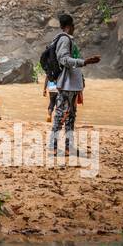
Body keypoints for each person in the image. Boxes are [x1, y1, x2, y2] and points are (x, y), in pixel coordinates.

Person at [48, 12, 100, 156]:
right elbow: (64, 59)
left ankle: (68, 147)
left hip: (71, 85)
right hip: (67, 84)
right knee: (61, 115)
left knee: (70, 116)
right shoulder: (64, 40)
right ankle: (53, 147)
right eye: (73, 25)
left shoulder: (65, 39)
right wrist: (85, 62)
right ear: (70, 26)